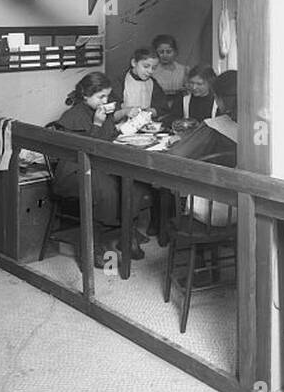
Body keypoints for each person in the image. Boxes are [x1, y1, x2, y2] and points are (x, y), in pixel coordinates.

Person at [52, 73, 150, 266]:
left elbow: (108, 138)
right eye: (101, 97)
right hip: (74, 171)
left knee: (134, 183)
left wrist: (122, 129)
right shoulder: (71, 117)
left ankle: (126, 236)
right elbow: (84, 151)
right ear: (85, 95)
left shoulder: (101, 112)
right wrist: (97, 124)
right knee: (105, 190)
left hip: (99, 166)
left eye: (107, 96)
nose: (106, 101)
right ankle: (96, 247)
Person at [168, 70, 237, 163]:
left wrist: (178, 143)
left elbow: (176, 155)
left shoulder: (214, 127)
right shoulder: (259, 125)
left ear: (219, 98)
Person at [115, 47, 167, 120]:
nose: (150, 71)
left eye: (154, 68)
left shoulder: (152, 83)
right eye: (146, 66)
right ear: (134, 63)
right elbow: (113, 112)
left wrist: (150, 112)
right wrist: (125, 111)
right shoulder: (120, 82)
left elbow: (162, 107)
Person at [150, 34, 190, 102]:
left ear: (175, 52)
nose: (165, 55)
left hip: (179, 108)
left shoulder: (184, 70)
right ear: (156, 52)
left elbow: (188, 93)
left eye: (168, 52)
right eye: (161, 52)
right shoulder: (152, 71)